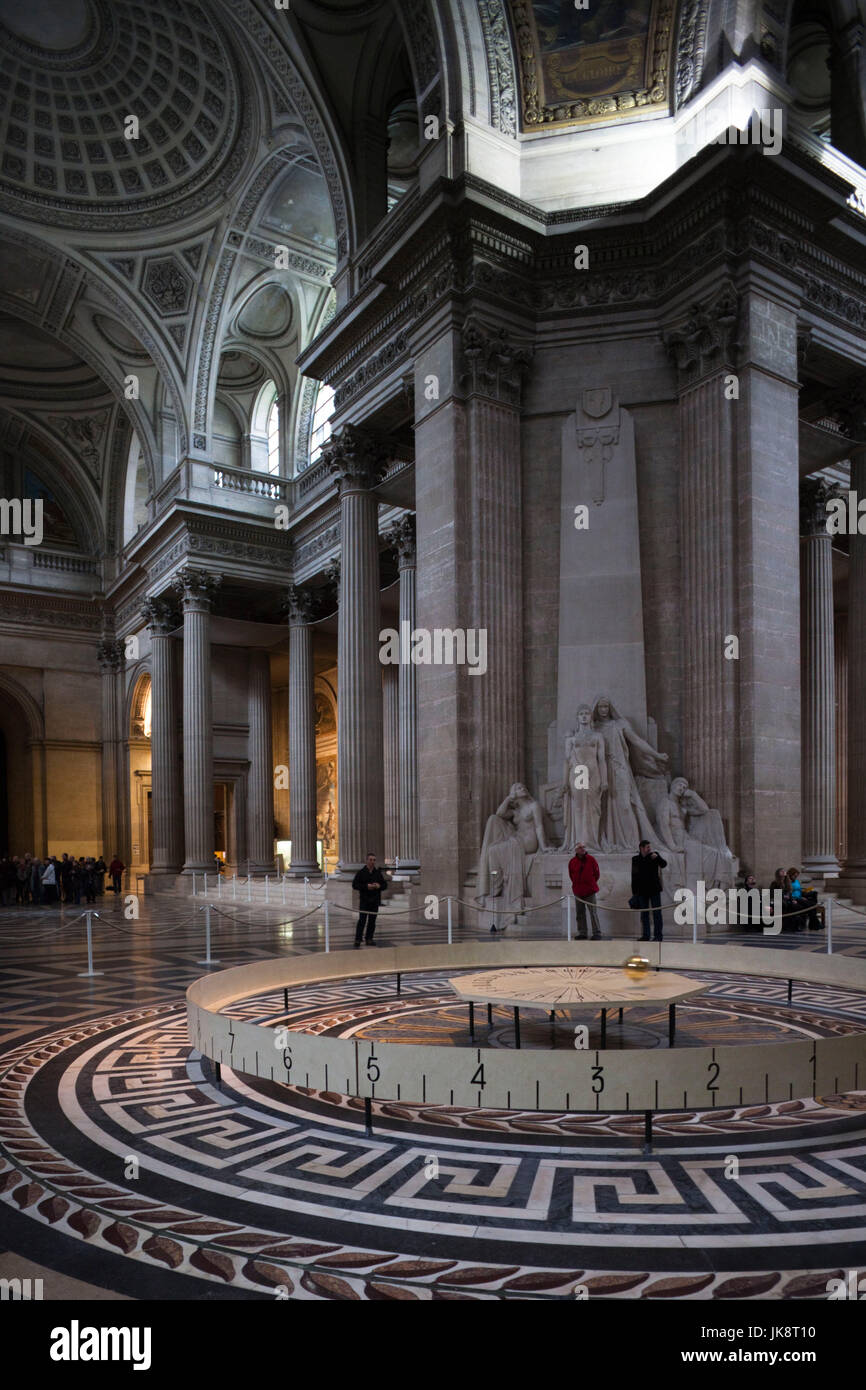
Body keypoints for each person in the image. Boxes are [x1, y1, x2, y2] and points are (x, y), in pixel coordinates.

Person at [631, 839, 667, 941]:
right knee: (644, 915)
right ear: (641, 848)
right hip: (642, 891)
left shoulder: (654, 856)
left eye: (649, 847)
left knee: (657, 914)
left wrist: (658, 858)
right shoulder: (635, 859)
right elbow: (633, 876)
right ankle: (646, 935)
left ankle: (658, 936)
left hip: (654, 890)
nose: (649, 849)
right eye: (647, 847)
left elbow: (664, 864)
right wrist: (634, 893)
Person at [352, 853, 388, 948]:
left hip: (374, 900)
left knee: (372, 921)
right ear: (367, 860)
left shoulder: (377, 873)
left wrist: (379, 886)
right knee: (362, 920)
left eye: (374, 860)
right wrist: (366, 886)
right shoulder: (361, 872)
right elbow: (355, 885)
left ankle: (369, 938)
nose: (372, 862)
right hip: (364, 900)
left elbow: (384, 885)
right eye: (371, 860)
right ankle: (358, 939)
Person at [568, 842, 602, 939]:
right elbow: (571, 875)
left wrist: (590, 884)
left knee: (593, 912)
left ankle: (597, 933)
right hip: (578, 891)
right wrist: (577, 886)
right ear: (576, 850)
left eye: (583, 847)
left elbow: (597, 874)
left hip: (590, 891)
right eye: (580, 847)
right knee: (580, 913)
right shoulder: (572, 862)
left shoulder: (591, 860)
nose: (582, 849)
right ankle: (582, 932)